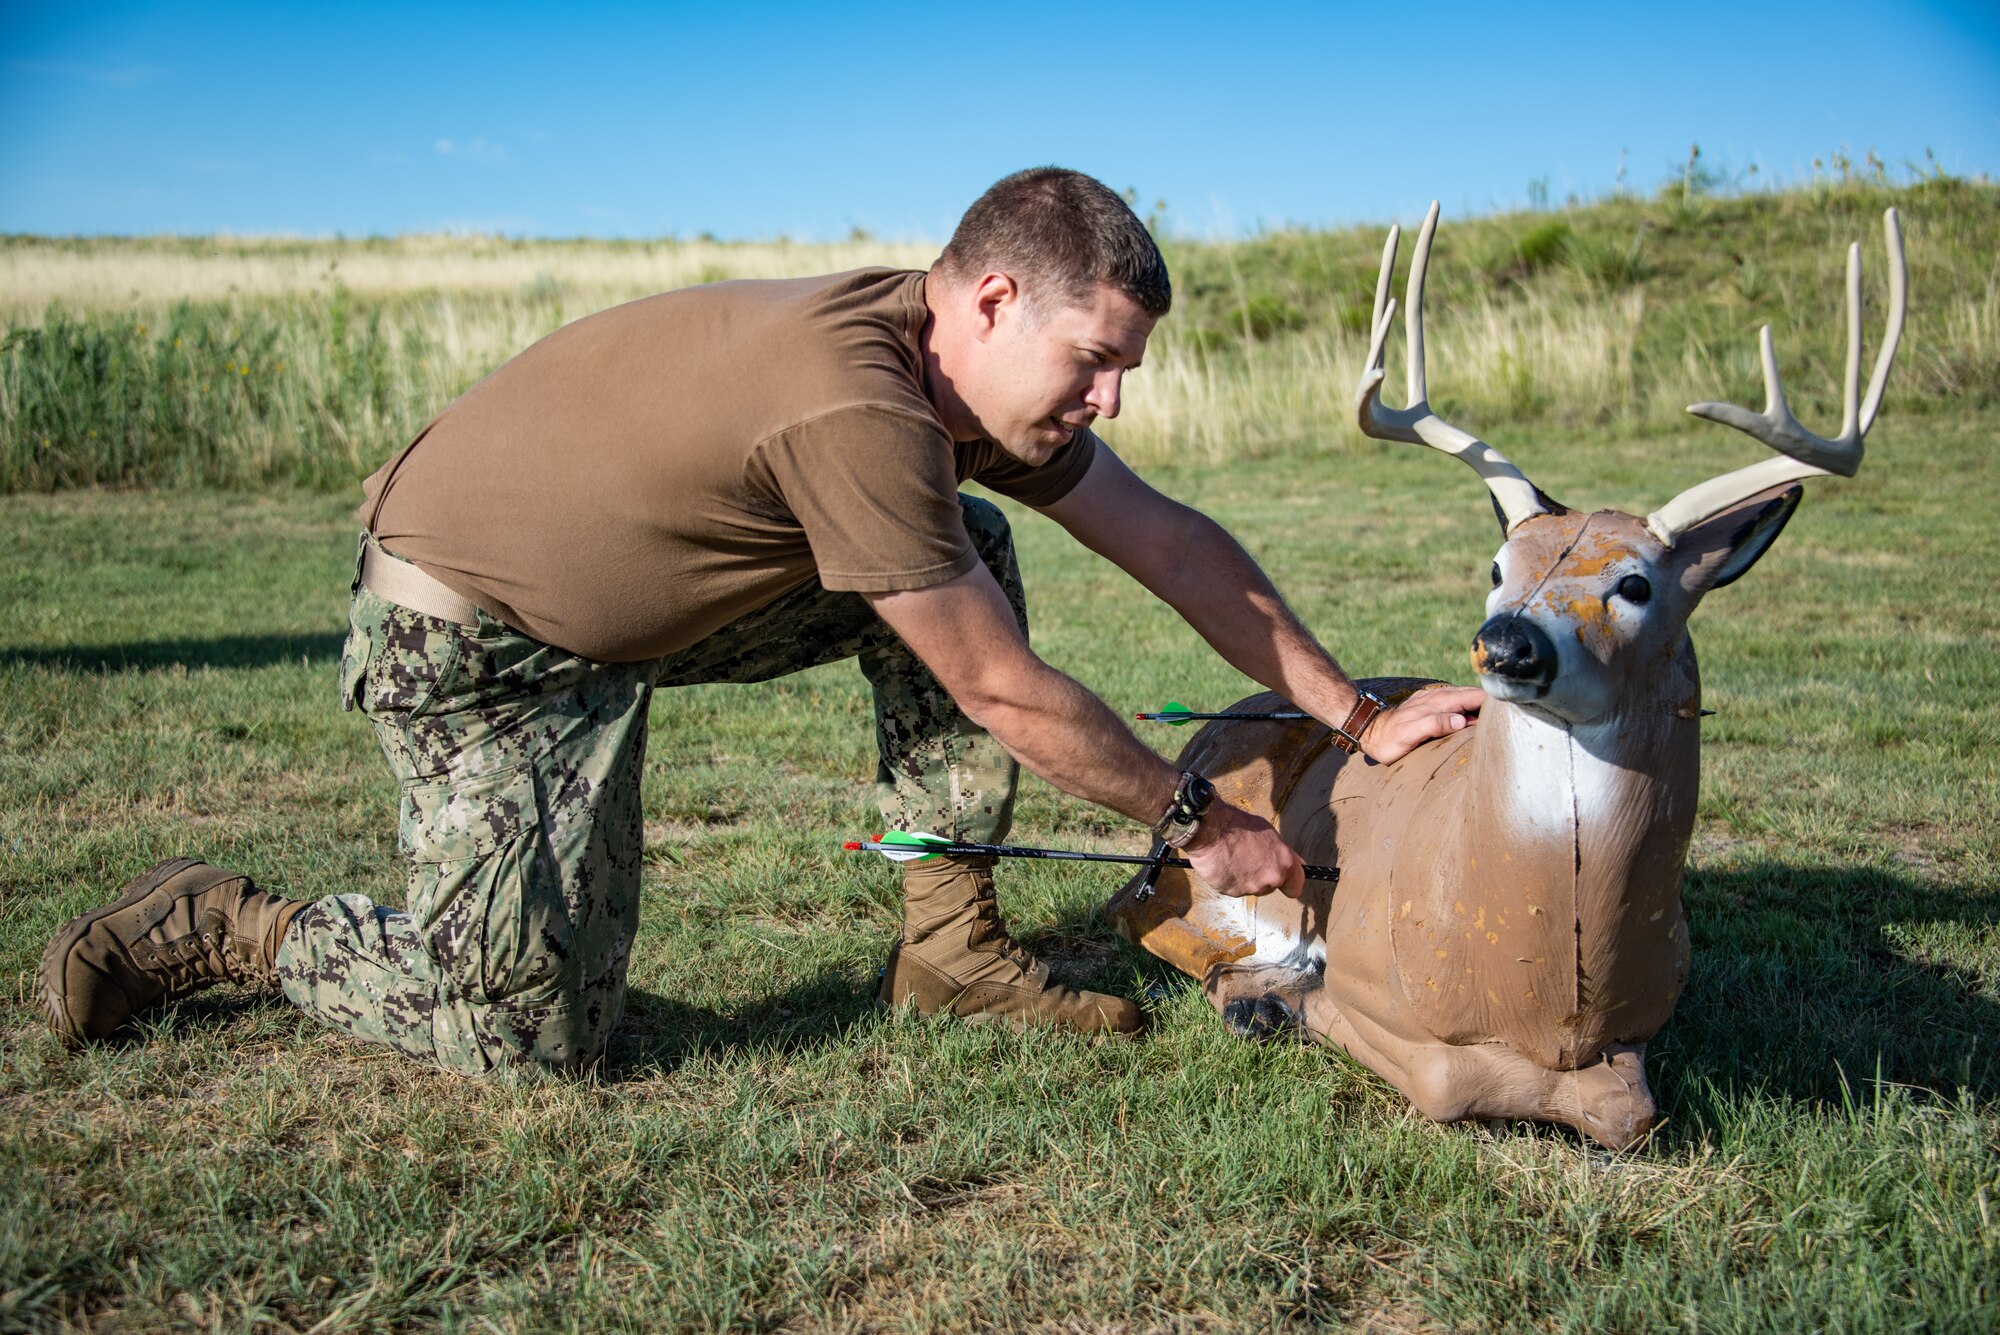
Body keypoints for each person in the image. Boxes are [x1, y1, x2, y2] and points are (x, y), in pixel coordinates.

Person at [38, 167, 1482, 1070]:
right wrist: (1198, 822)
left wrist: (1357, 708)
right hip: (477, 639)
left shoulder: (960, 384)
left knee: (965, 539)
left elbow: (1167, 539)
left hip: (643, 604)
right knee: (524, 1041)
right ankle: (228, 924)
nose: (1111, 402)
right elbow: (1001, 692)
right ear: (989, 300)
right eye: (1096, 362)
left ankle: (948, 953)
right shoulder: (856, 403)